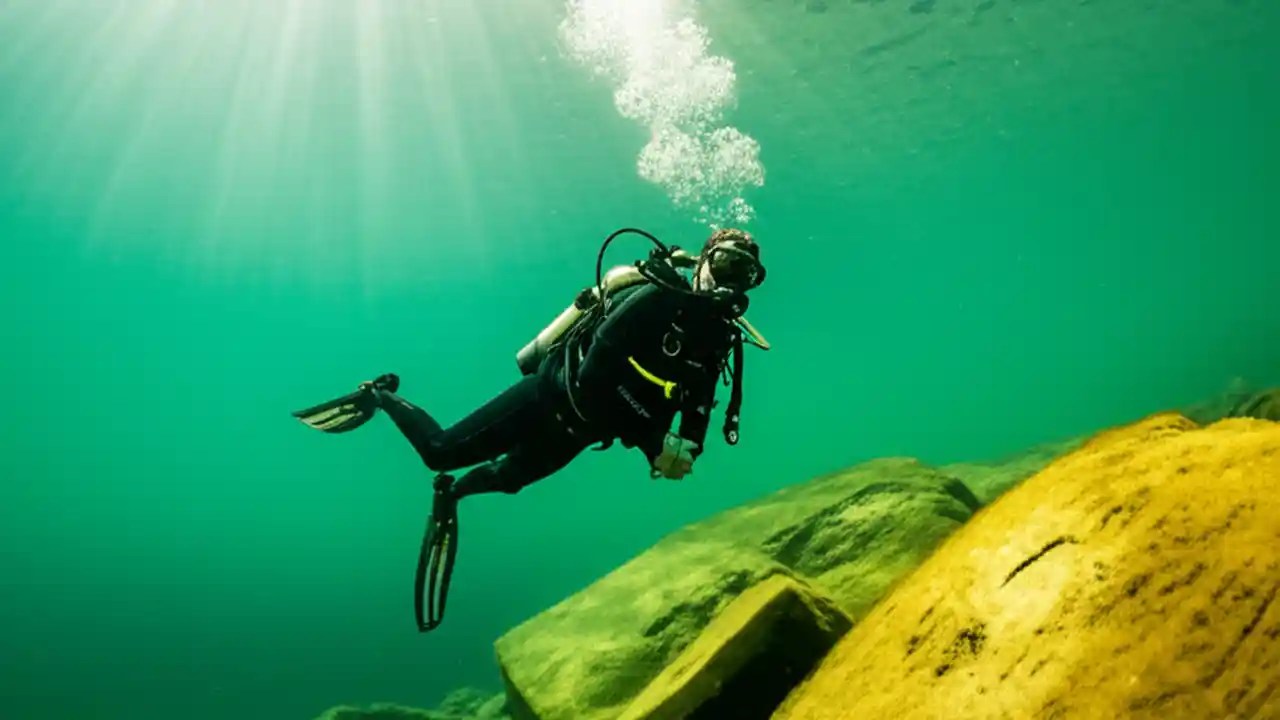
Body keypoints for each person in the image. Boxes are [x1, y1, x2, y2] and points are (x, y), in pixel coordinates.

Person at [290, 227, 769, 631]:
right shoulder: (655, 296)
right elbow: (596, 371)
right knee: (438, 450)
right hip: (548, 399)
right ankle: (381, 393)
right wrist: (650, 441)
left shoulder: (719, 337)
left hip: (580, 434)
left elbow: (700, 408)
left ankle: (450, 496)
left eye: (744, 273)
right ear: (704, 262)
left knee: (508, 480)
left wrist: (682, 453)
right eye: (725, 264)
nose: (731, 281)